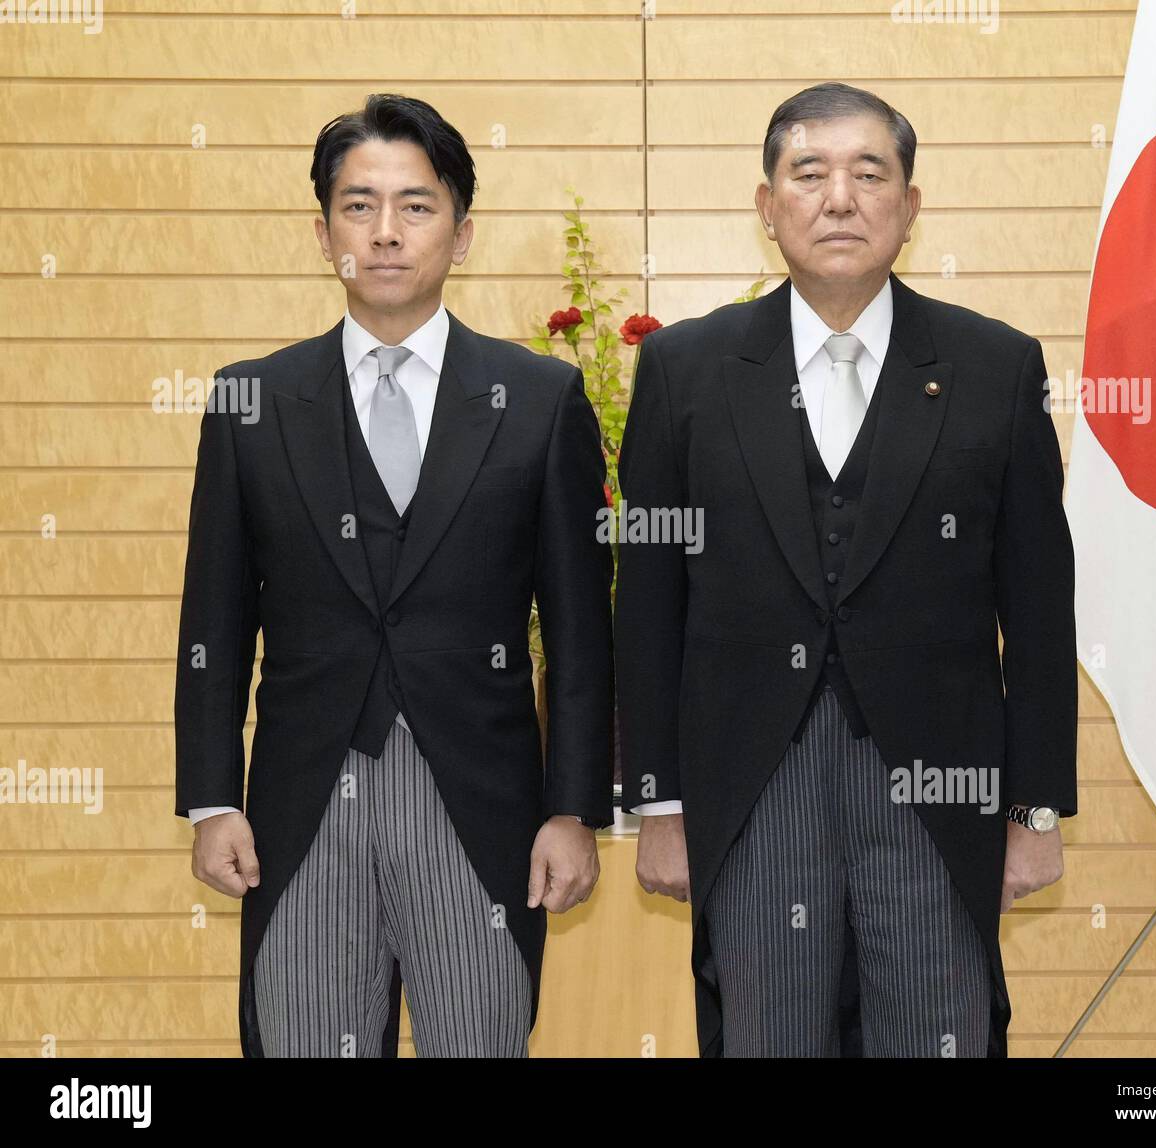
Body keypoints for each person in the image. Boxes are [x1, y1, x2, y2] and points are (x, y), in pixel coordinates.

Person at [615, 82, 1077, 1057]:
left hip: (936, 789)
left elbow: (1038, 609)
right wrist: (655, 802)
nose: (839, 197)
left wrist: (1034, 808)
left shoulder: (995, 367)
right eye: (809, 174)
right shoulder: (686, 372)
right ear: (766, 203)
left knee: (936, 1031)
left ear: (909, 208)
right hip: (752, 786)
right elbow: (647, 605)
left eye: (870, 174)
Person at [174, 93, 613, 1057]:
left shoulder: (540, 401)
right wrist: (212, 801)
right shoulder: (251, 401)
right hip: (302, 807)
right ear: (322, 229)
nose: (385, 233)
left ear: (460, 234)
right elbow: (213, 617)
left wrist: (573, 808)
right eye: (358, 205)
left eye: (416, 206)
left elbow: (583, 632)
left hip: (483, 808)